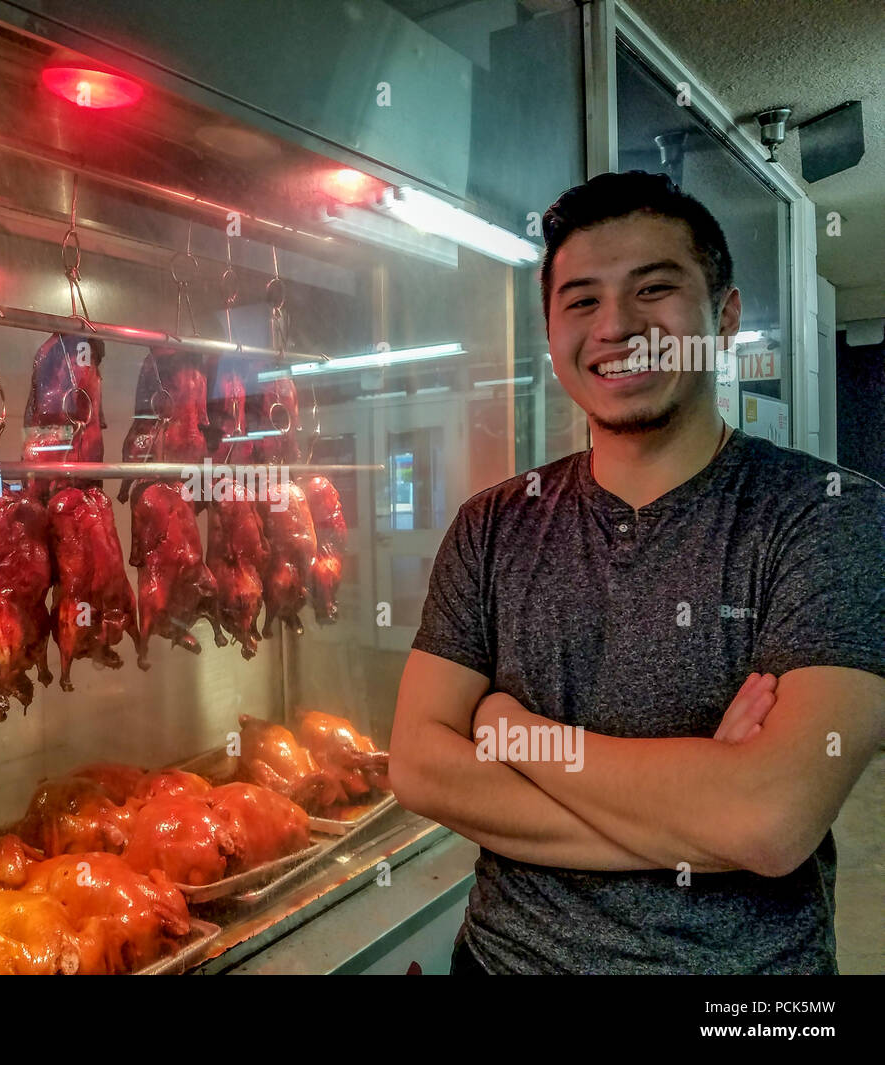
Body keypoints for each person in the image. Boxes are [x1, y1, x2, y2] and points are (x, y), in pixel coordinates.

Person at [390, 171, 885, 975]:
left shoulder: (826, 517)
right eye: (581, 300)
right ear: (552, 332)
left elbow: (769, 817)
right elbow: (417, 763)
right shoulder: (492, 524)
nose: (616, 325)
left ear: (723, 316)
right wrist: (702, 822)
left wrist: (514, 732)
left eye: (654, 288)